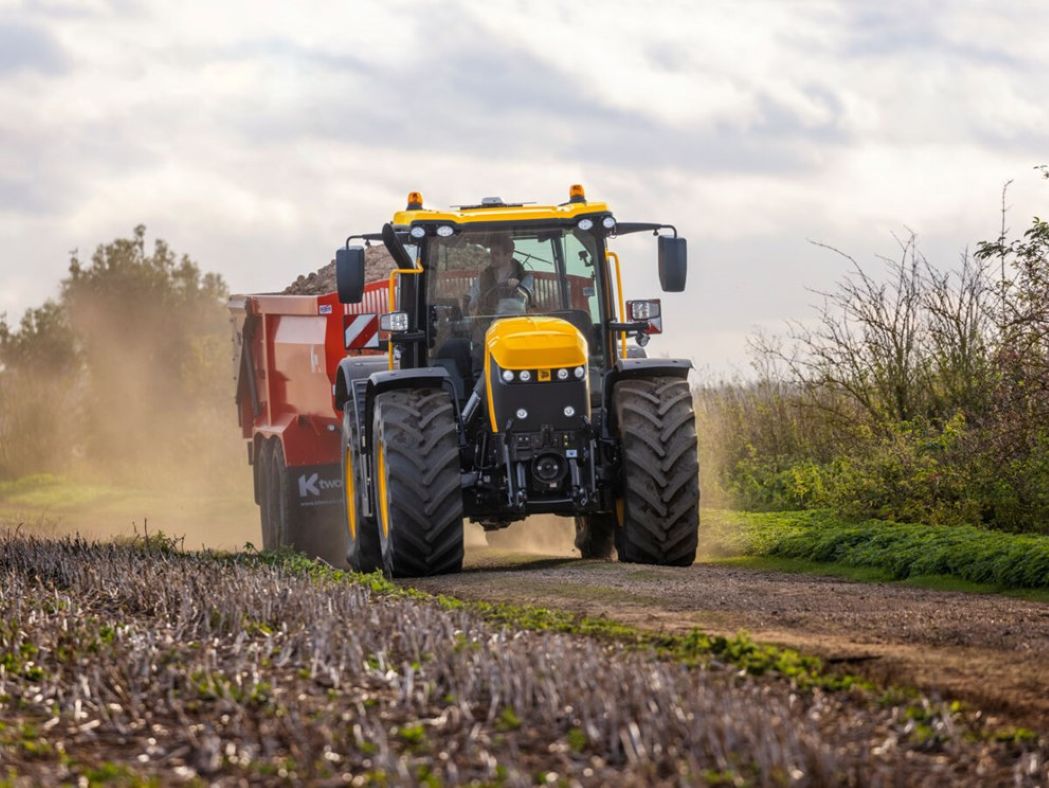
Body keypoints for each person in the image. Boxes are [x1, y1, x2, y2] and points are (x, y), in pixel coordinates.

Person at [464, 234, 534, 315]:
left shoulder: (525, 277)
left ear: (509, 255)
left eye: (496, 254)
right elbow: (471, 299)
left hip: (514, 323)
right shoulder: (483, 277)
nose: (491, 257)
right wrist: (466, 302)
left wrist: (517, 290)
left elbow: (527, 299)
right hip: (486, 324)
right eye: (491, 253)